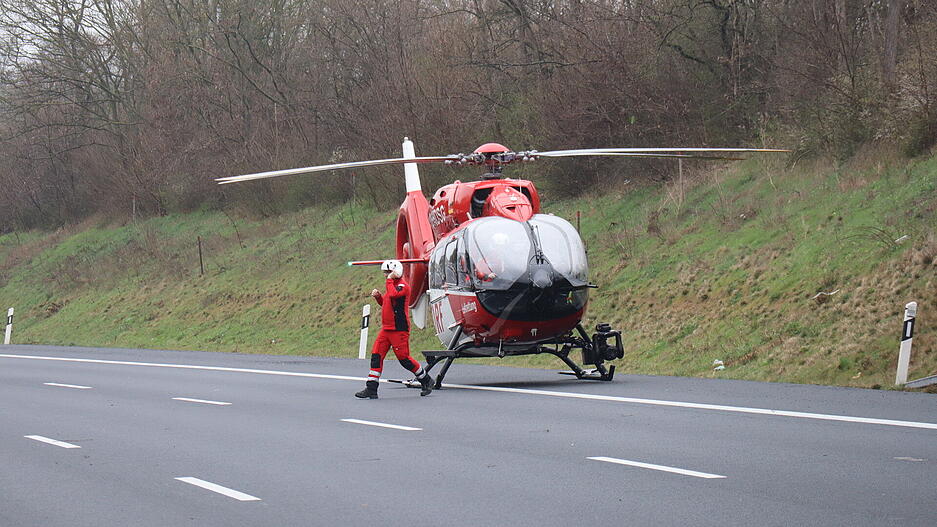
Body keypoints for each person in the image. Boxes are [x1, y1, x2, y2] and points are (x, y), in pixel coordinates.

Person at [355, 259, 434, 399]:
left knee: (404, 359)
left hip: (398, 329)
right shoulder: (392, 286)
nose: (386, 275)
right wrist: (378, 297)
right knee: (376, 356)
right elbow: (387, 303)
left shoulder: (402, 286)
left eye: (388, 272)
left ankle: (426, 380)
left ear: (395, 272)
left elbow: (393, 295)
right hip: (386, 329)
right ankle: (371, 388)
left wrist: (389, 280)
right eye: (385, 273)